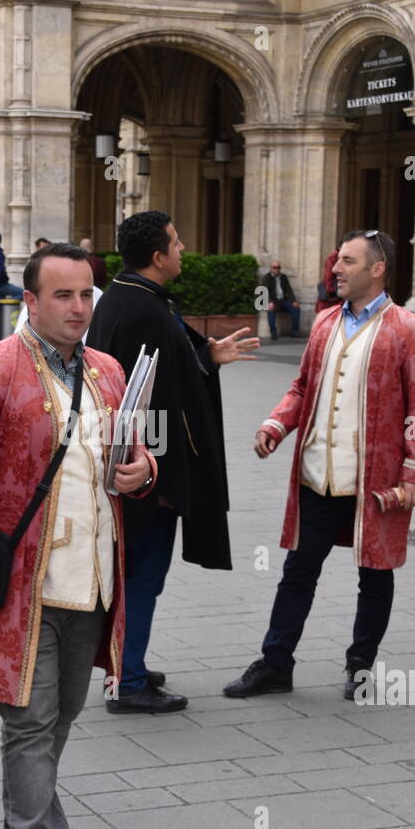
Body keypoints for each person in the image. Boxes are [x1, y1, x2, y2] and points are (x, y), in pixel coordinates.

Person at [0, 241, 156, 829]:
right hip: (24, 578)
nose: (79, 307)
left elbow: (134, 458)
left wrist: (142, 472)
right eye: (64, 295)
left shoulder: (110, 371)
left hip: (93, 576)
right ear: (29, 300)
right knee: (29, 717)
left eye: (87, 294)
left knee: (64, 710)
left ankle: (21, 812)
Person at [223, 230, 415, 700]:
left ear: (376, 269)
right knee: (299, 570)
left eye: (347, 261)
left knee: (375, 573)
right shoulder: (323, 323)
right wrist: (276, 425)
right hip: (316, 473)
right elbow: (303, 387)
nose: (335, 269)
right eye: (338, 261)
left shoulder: (409, 329)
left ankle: (360, 666)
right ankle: (276, 663)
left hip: (376, 479)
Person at [87, 210, 260, 713]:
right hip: (142, 473)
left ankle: (126, 661)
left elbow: (168, 379)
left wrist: (207, 358)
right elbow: (151, 401)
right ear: (158, 256)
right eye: (178, 244)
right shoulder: (144, 310)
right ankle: (129, 681)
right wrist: (158, 475)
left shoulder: (130, 298)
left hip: (132, 465)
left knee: (137, 574)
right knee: (143, 574)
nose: (183, 251)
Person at [260, 260, 302, 340]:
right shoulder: (267, 278)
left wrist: (293, 301)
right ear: (271, 268)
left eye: (278, 268)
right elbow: (264, 292)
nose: (277, 269)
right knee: (270, 310)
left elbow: (289, 290)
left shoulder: (283, 277)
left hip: (283, 301)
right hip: (273, 301)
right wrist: (269, 302)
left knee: (296, 308)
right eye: (275, 268)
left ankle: (294, 331)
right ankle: (273, 332)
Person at [317, 249, 341, 314]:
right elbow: (329, 276)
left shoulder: (336, 256)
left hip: (335, 296)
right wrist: (331, 292)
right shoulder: (334, 257)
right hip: (331, 298)